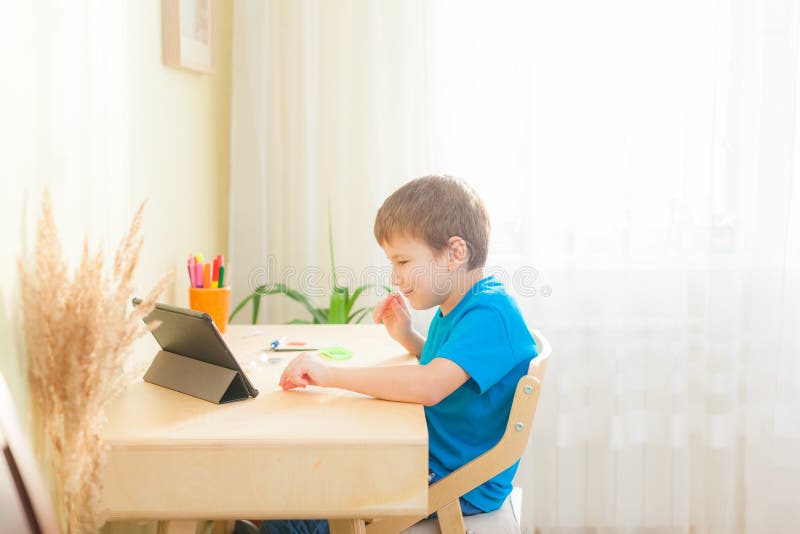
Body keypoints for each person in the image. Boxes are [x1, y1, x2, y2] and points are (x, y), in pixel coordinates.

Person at [258, 175, 538, 534]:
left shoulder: (491, 313)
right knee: (303, 488)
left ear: (455, 253)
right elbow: (454, 373)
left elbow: (431, 385)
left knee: (304, 504)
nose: (395, 276)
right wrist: (408, 338)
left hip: (456, 479)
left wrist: (328, 374)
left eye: (403, 261)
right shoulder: (463, 305)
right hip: (437, 457)